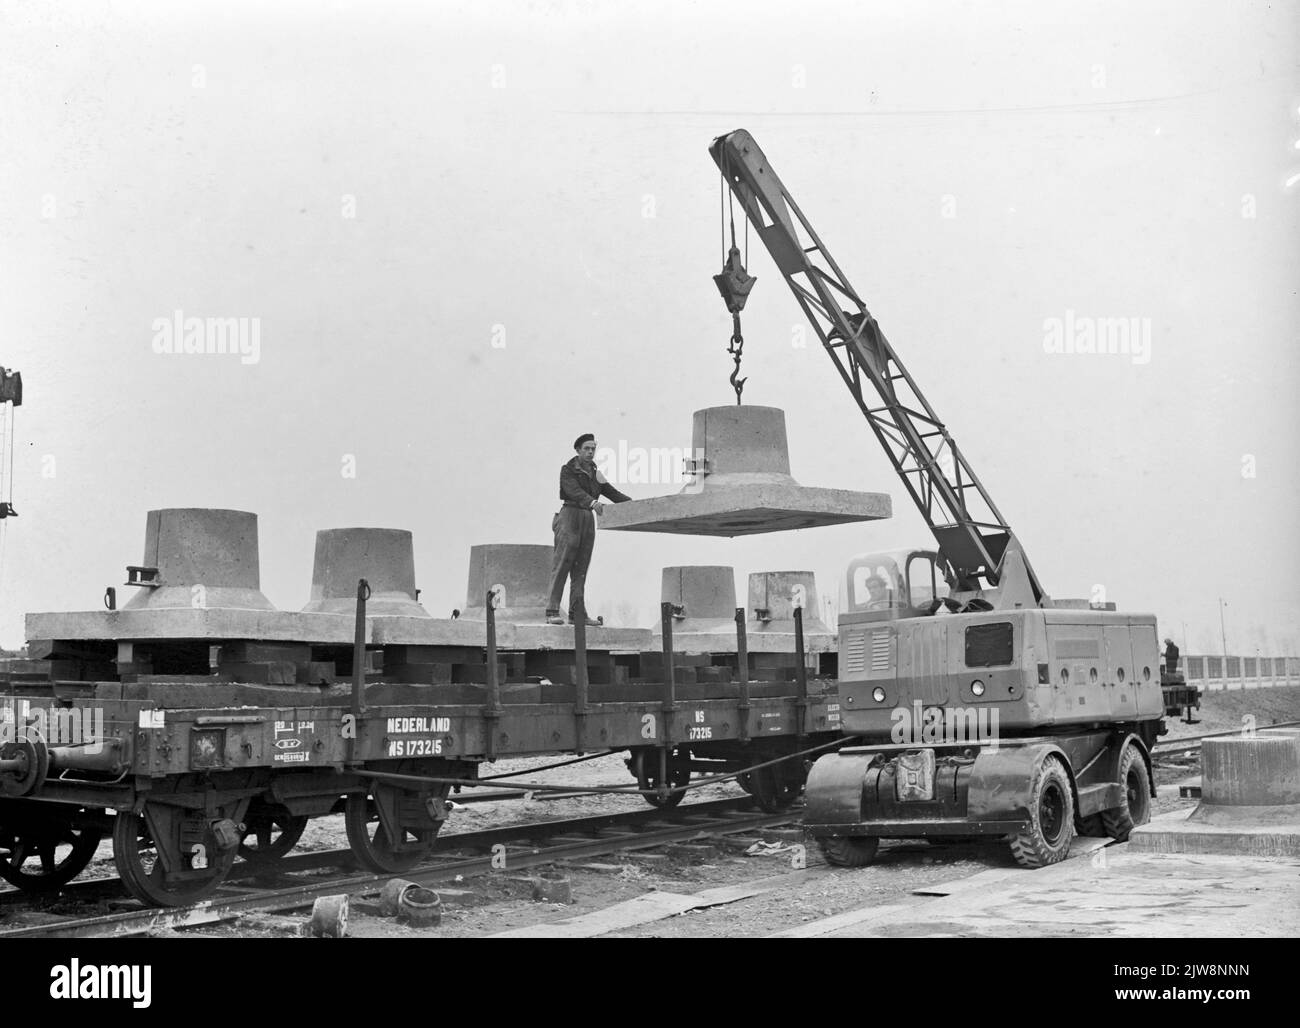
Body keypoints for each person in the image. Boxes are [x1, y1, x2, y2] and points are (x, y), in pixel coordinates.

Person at [545, 433, 631, 626]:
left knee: (581, 568)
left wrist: (632, 505)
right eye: (587, 448)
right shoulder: (567, 470)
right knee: (562, 564)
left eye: (593, 448)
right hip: (570, 515)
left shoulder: (595, 472)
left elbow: (611, 492)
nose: (591, 452)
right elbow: (573, 491)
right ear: (578, 450)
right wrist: (592, 502)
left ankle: (577, 613)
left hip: (587, 518)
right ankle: (552, 611)